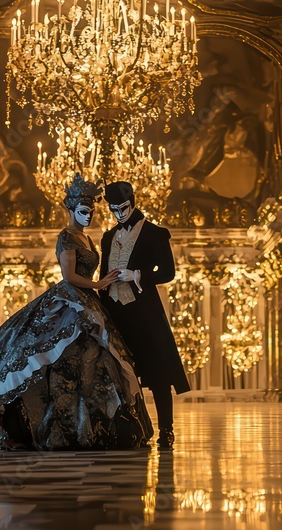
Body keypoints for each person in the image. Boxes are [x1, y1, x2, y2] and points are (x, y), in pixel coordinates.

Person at [0, 173, 152, 450]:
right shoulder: (67, 237)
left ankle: (95, 426)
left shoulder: (87, 239)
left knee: (96, 358)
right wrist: (98, 284)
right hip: (71, 300)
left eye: (92, 212)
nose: (88, 217)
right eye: (83, 212)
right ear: (71, 210)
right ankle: (44, 424)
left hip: (89, 302)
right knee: (46, 356)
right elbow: (69, 277)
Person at [99, 181, 191, 449]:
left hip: (144, 313)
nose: (119, 214)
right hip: (115, 313)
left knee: (158, 374)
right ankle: (131, 428)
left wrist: (137, 275)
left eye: (123, 208)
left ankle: (167, 430)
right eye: (114, 209)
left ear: (134, 202)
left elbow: (168, 272)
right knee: (122, 374)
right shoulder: (108, 237)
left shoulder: (155, 233)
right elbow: (103, 272)